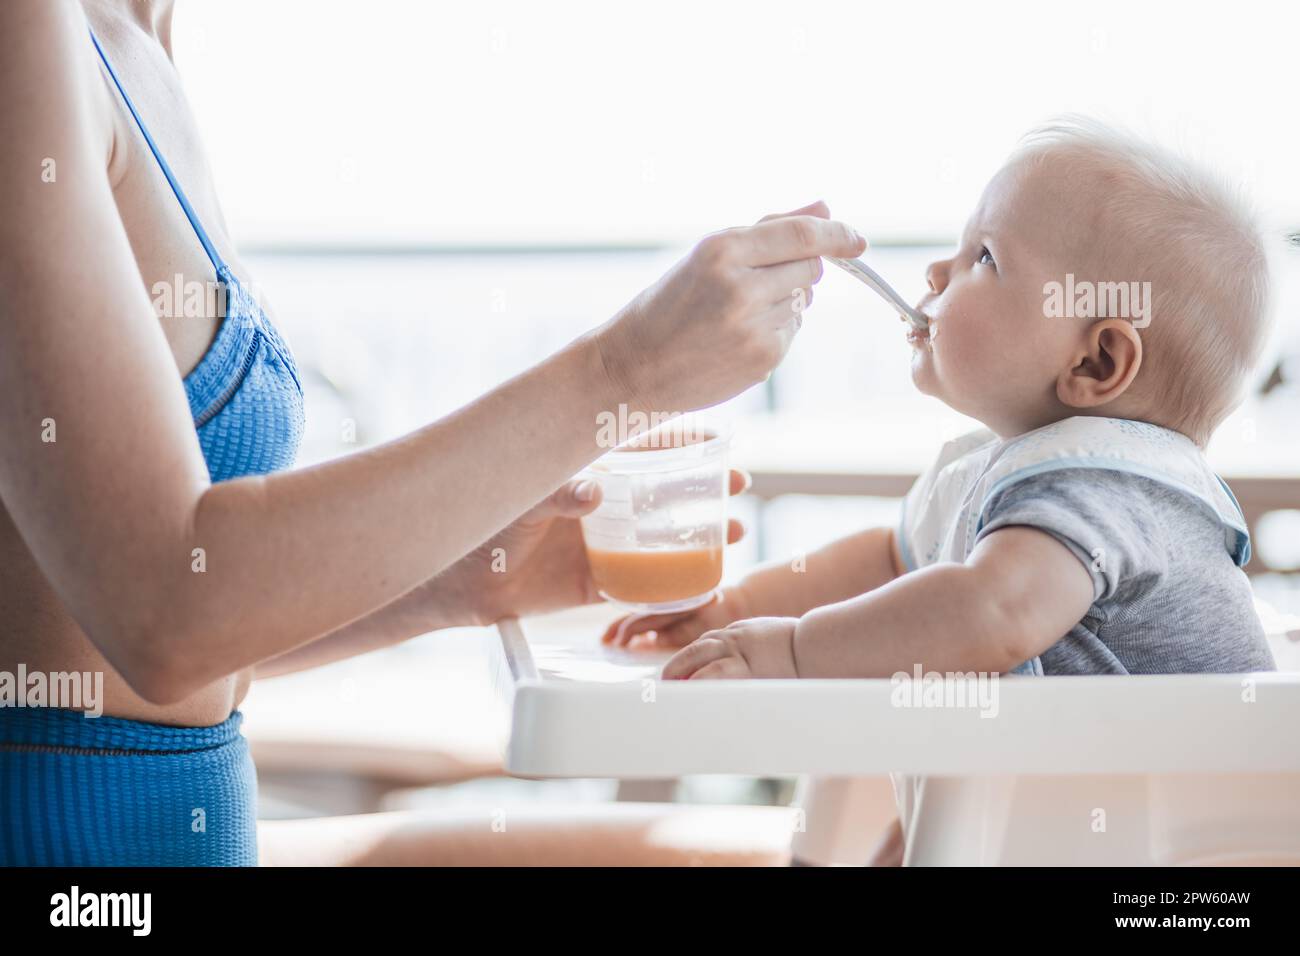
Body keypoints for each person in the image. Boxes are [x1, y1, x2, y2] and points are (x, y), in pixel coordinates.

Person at [0, 0, 867, 866]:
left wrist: (455, 579)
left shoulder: (140, 36)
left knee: (762, 850)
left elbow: (124, 636)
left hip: (186, 832)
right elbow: (160, 614)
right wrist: (620, 372)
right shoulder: (27, 33)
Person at [607, 118, 1276, 864]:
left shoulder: (1111, 485)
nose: (936, 273)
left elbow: (992, 610)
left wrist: (795, 652)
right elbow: (894, 564)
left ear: (1096, 360)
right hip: (1063, 814)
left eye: (984, 257)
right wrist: (739, 607)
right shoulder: (1007, 475)